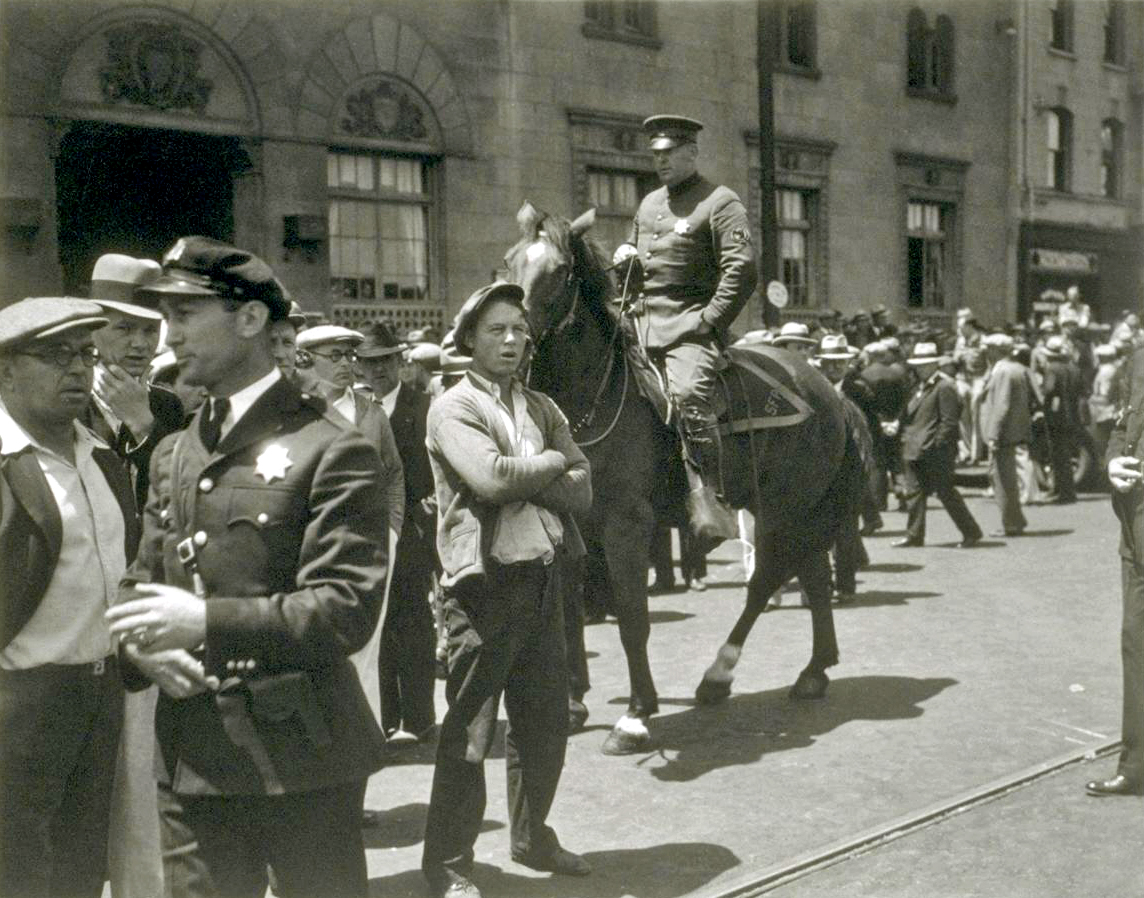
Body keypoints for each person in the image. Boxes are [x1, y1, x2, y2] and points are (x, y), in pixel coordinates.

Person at [105, 236, 389, 898]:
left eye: (184, 315)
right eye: (164, 318)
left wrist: (202, 619)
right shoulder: (175, 451)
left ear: (252, 319)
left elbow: (344, 608)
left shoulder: (331, 447)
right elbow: (137, 584)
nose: (168, 337)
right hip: (194, 761)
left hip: (303, 761)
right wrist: (138, 648)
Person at [421, 282, 592, 898]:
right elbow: (492, 481)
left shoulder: (541, 406)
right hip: (482, 592)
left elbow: (586, 490)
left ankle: (531, 837)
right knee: (470, 732)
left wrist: (543, 470)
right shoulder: (452, 408)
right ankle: (446, 865)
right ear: (469, 339)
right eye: (497, 330)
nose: (513, 340)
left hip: (544, 580)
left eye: (519, 329)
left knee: (545, 722)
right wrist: (551, 464)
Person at [0, 297, 140, 898]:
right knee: (20, 867)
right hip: (21, 700)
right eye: (57, 356)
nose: (79, 371)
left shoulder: (102, 454)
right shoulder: (7, 461)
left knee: (84, 865)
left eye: (85, 354)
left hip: (100, 691)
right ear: (5, 370)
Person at [612, 114, 757, 551]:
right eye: (656, 154)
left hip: (689, 328)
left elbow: (742, 268)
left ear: (692, 152)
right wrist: (627, 260)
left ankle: (710, 498)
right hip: (639, 322)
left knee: (690, 396)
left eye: (670, 153)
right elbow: (643, 266)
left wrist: (711, 319)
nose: (661, 162)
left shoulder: (720, 201)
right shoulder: (649, 203)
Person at [357, 322, 439, 744]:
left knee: (415, 624)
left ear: (400, 362)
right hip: (372, 535)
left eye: (385, 362)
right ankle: (387, 718)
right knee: (380, 627)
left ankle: (421, 718)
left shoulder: (424, 406)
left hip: (413, 531)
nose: (377, 371)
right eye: (368, 364)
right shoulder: (356, 410)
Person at [84, 253, 186, 510]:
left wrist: (143, 424)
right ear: (94, 329)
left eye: (150, 330)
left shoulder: (167, 404)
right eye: (124, 328)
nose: (140, 344)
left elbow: (179, 489)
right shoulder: (71, 401)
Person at [1090, 341, 1144, 797]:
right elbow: (1124, 424)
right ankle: (1137, 765)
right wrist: (1112, 462)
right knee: (1136, 646)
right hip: (1136, 528)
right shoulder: (1140, 358)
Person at [891, 342, 983, 548]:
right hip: (914, 448)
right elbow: (910, 413)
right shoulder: (918, 386)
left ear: (934, 364)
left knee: (946, 493)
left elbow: (949, 421)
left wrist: (936, 446)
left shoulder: (944, 386)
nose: (920, 368)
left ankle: (971, 531)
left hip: (933, 451)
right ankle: (914, 534)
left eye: (925, 364)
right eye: (918, 364)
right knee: (914, 493)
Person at [978, 332, 1034, 536]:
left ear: (996, 350)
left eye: (988, 349)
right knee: (1006, 477)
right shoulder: (1016, 369)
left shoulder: (1003, 372)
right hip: (1012, 432)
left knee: (1001, 479)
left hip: (1003, 434)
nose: (986, 353)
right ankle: (1016, 519)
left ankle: (1011, 523)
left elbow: (1002, 405)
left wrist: (993, 434)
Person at [1040, 334, 1084, 504]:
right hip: (1072, 414)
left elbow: (1049, 389)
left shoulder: (1052, 368)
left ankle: (1063, 492)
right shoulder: (1073, 368)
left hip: (1056, 415)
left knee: (1057, 454)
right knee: (1065, 452)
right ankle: (1064, 490)